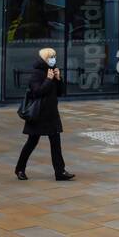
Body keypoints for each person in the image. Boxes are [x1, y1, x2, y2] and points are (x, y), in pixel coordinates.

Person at [16, 47, 74, 181]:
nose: (53, 59)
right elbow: (37, 92)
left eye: (54, 57)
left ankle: (60, 172)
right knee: (31, 142)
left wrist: (58, 79)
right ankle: (20, 169)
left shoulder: (53, 71)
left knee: (56, 143)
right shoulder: (37, 73)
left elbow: (60, 93)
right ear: (44, 59)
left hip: (51, 114)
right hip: (38, 114)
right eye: (50, 57)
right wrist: (48, 79)